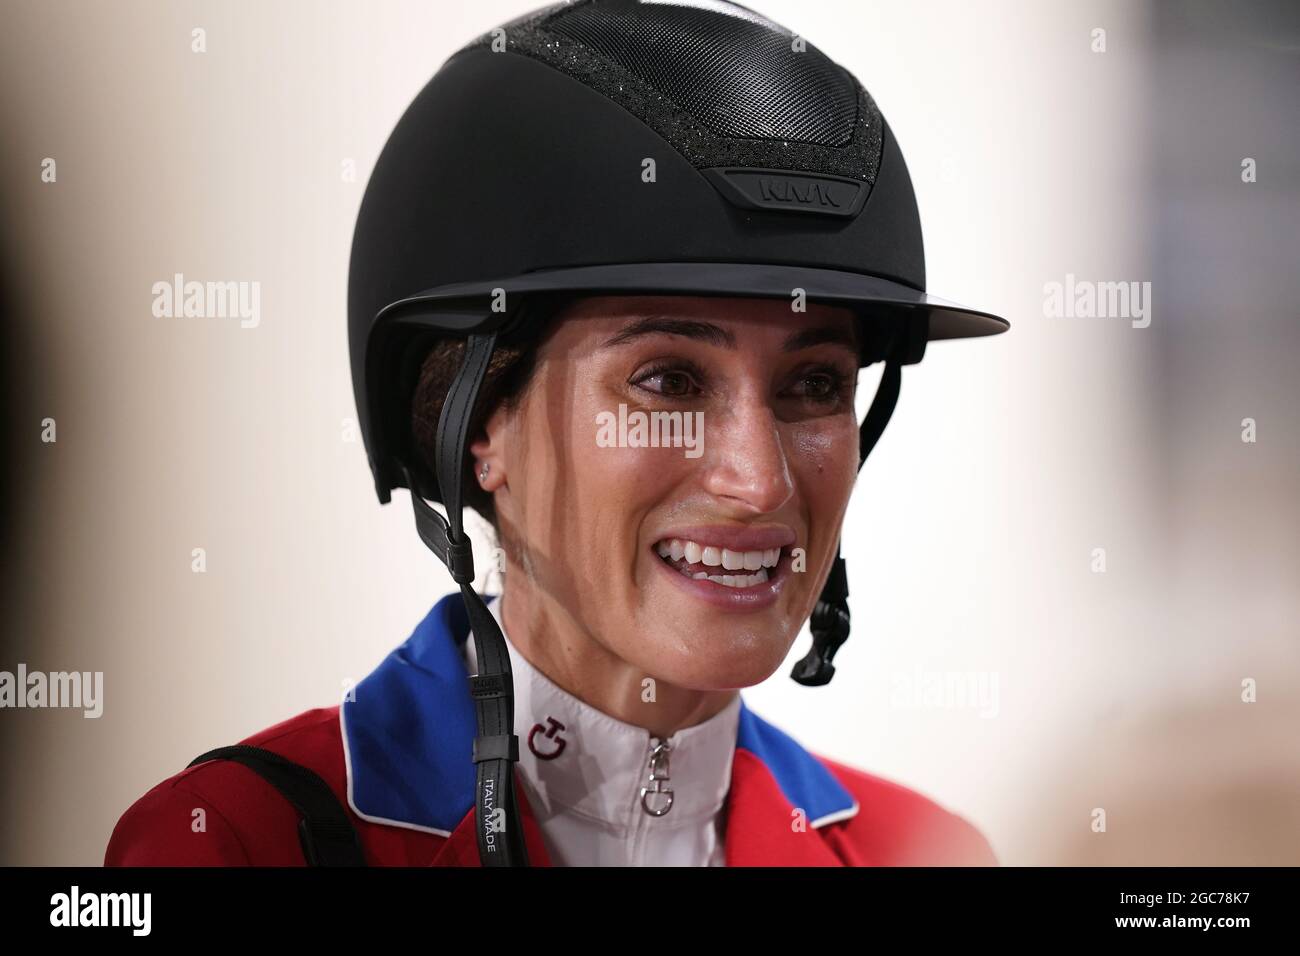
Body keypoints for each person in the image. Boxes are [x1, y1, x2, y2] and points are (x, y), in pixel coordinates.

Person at [106, 0, 1008, 867]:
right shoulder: (239, 841)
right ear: (474, 428)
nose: (759, 482)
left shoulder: (924, 853)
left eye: (814, 384)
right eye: (670, 381)